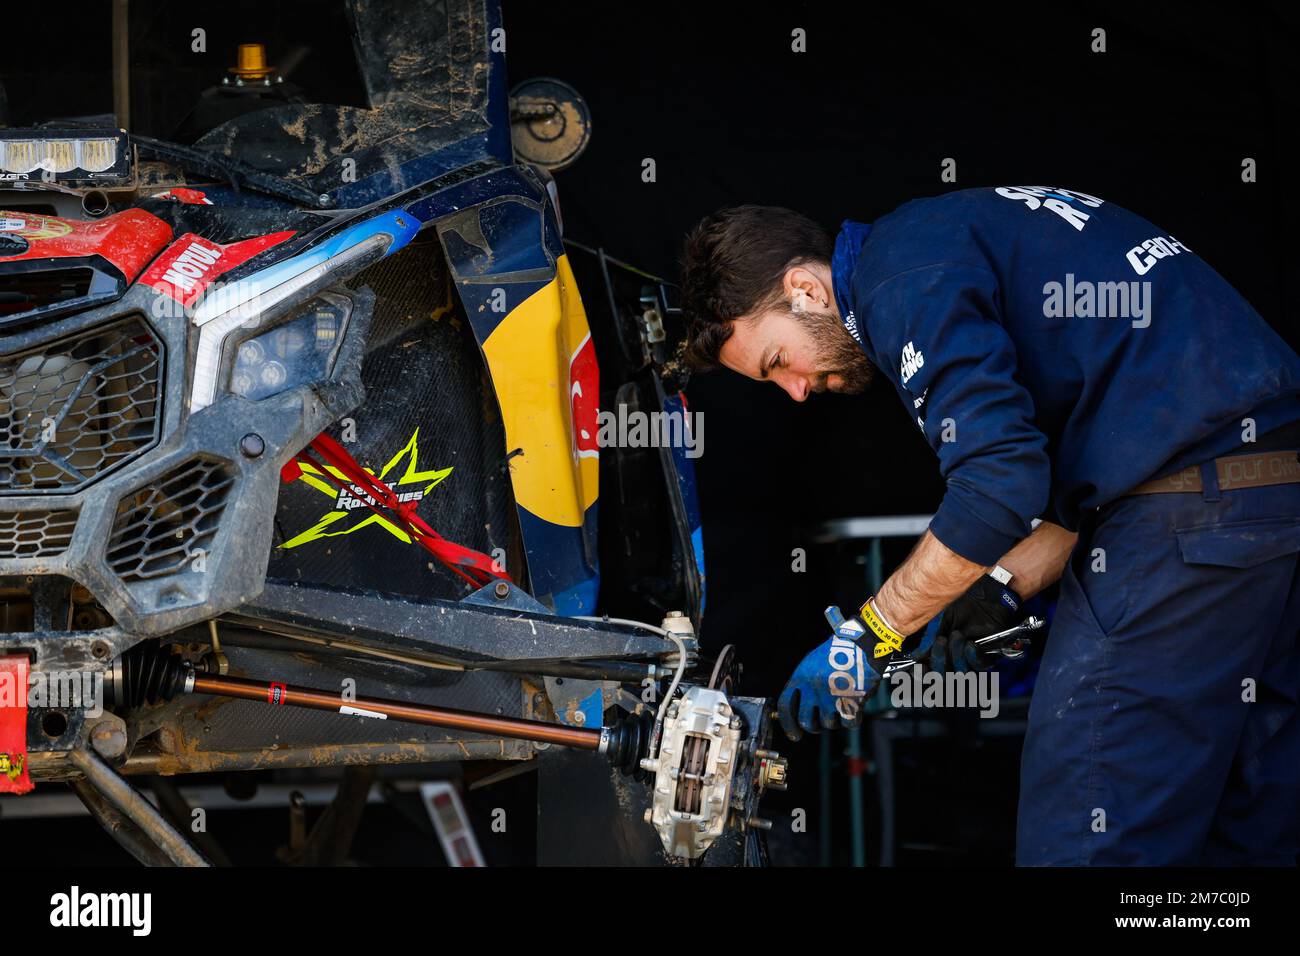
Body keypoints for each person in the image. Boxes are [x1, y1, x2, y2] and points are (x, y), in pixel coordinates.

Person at [678, 187, 1300, 864]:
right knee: (1254, 824)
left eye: (776, 362)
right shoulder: (953, 236)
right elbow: (1136, 456)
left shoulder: (899, 278)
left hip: (1192, 518)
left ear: (804, 289)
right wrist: (998, 582)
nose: (795, 390)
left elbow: (998, 481)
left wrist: (871, 633)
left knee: (1086, 832)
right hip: (1266, 505)